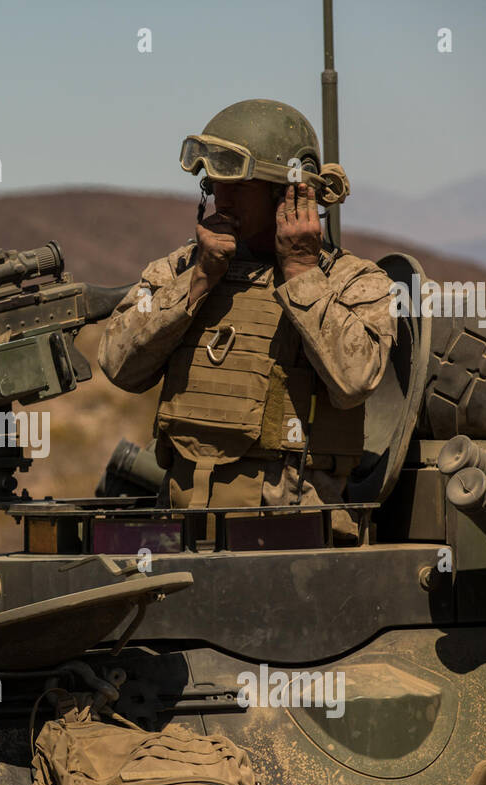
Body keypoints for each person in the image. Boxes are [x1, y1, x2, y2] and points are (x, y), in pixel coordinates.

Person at [98, 99, 396, 528]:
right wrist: (200, 279)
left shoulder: (355, 283)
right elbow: (117, 361)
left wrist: (301, 274)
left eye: (240, 185)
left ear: (290, 194)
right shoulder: (180, 269)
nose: (223, 197)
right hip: (184, 530)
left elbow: (356, 379)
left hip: (293, 535)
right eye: (215, 184)